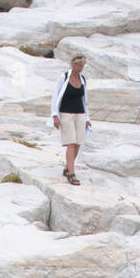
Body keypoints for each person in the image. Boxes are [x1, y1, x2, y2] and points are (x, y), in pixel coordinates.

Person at [50, 54, 91, 185]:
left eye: (82, 65)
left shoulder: (82, 79)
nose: (80, 68)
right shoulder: (64, 77)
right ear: (73, 64)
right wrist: (54, 115)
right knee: (71, 143)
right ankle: (71, 174)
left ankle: (68, 167)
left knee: (78, 143)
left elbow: (84, 100)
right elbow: (56, 96)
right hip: (66, 113)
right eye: (78, 65)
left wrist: (87, 118)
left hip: (80, 114)